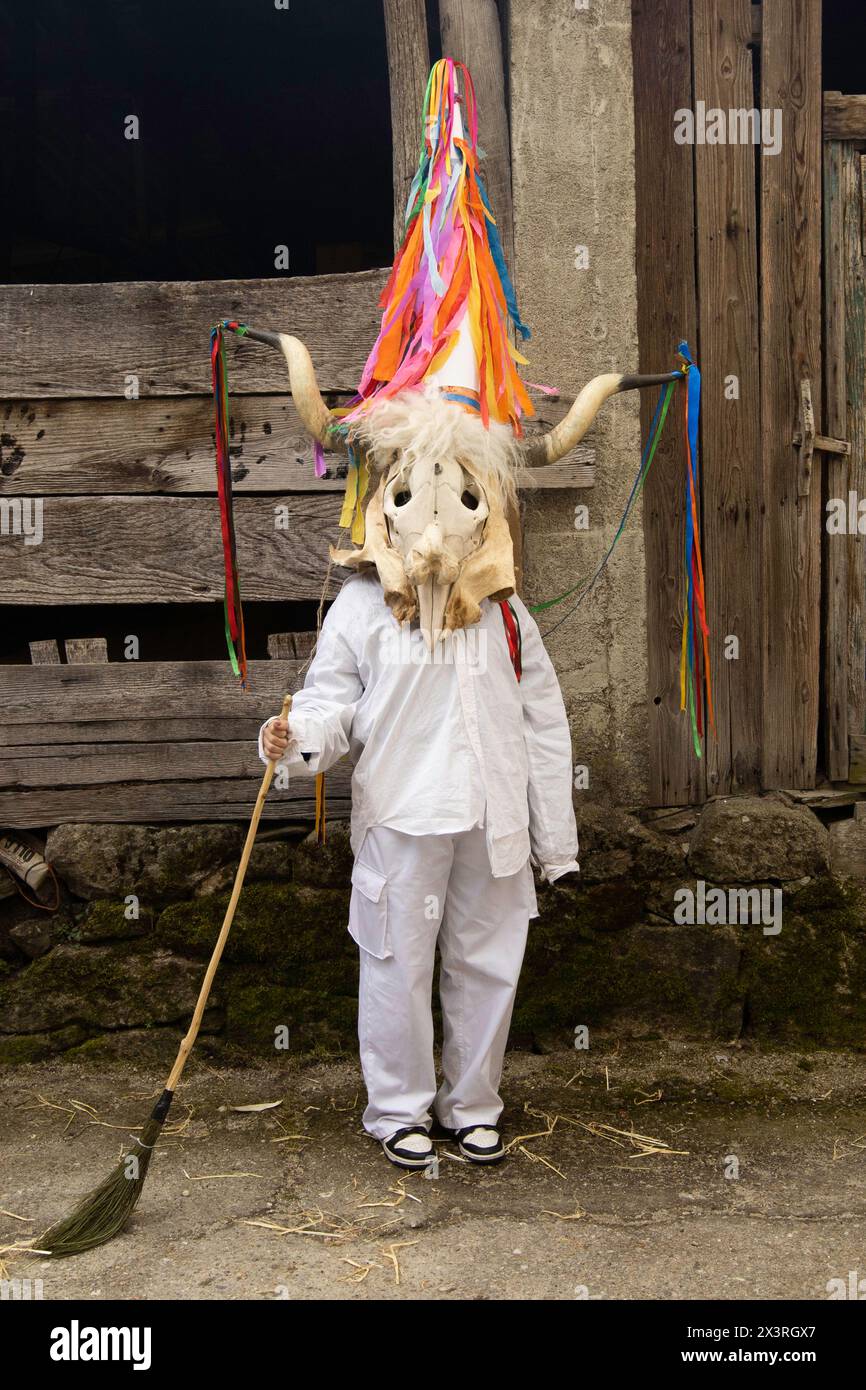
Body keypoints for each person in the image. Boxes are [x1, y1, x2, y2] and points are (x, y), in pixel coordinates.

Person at [259, 567, 578, 1169]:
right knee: (395, 962)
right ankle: (399, 1110)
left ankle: (474, 1106)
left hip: (493, 811)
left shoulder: (502, 604)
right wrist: (294, 734)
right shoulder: (361, 603)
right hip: (403, 809)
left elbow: (543, 719)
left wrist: (554, 839)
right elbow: (331, 700)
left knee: (488, 963)